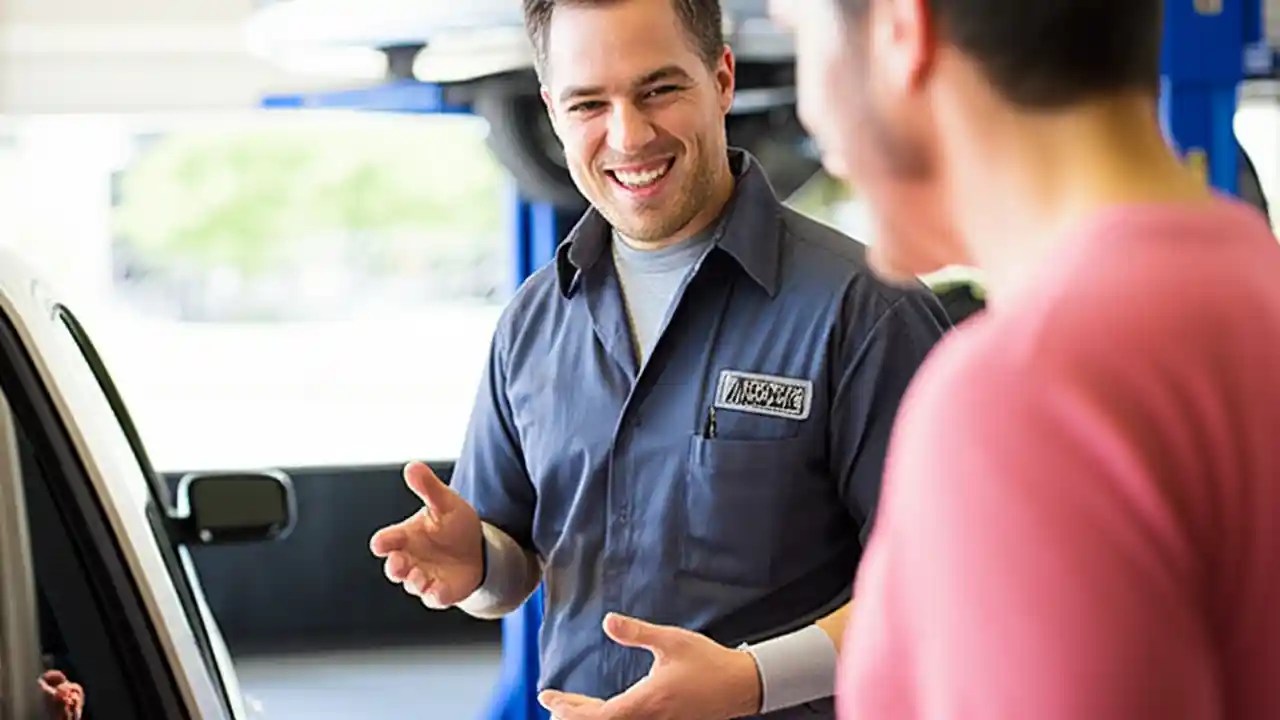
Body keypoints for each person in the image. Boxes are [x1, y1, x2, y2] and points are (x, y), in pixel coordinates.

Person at [547, 0, 1280, 718]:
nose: (809, 115)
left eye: (803, 32)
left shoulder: (1024, 400)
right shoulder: (1247, 293)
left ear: (904, 29)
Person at [368, 0, 948, 717]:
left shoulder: (864, 310)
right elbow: (513, 564)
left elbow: (944, 586)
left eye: (659, 90)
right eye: (588, 104)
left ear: (722, 78)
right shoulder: (534, 321)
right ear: (551, 111)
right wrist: (478, 566)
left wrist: (752, 679)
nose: (629, 135)